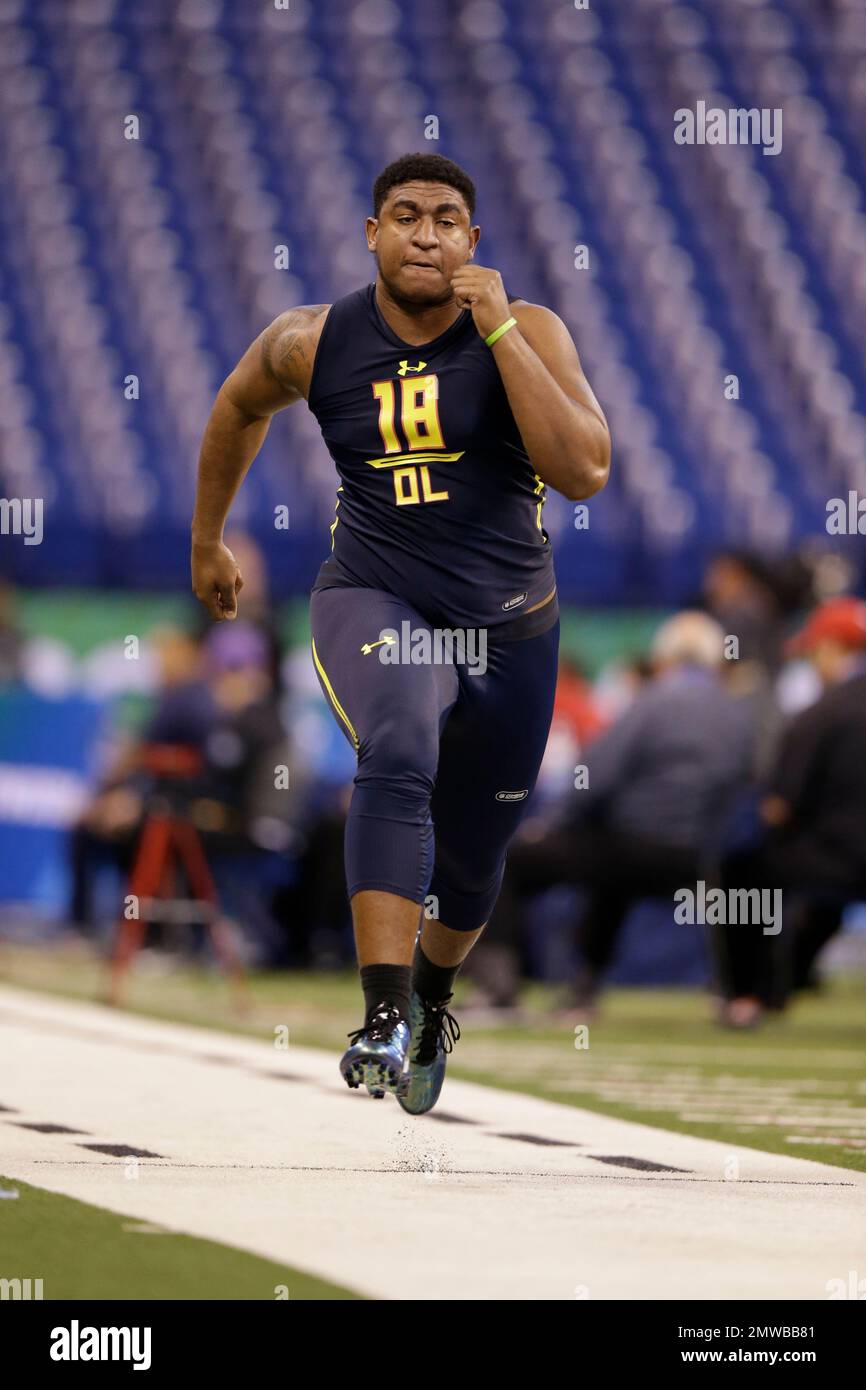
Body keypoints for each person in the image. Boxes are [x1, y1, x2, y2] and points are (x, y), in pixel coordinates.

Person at [190, 152, 610, 1112]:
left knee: (474, 861)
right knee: (400, 743)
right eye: (407, 216)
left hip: (510, 627)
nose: (426, 235)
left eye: (447, 219)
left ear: (473, 240)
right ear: (372, 234)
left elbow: (584, 471)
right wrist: (208, 537)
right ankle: (379, 1013)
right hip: (377, 596)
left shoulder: (529, 326)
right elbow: (237, 406)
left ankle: (429, 996)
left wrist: (499, 329)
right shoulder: (309, 339)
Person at [478, 612, 756, 1015]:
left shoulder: (655, 700)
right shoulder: (737, 713)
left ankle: (500, 990)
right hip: (698, 858)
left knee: (511, 861)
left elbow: (596, 773)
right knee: (612, 875)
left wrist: (556, 821)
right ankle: (735, 995)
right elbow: (743, 788)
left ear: (664, 658)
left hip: (632, 846)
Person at [718, 596, 866, 1023]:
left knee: (741, 867)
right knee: (821, 903)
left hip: (840, 859)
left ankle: (751, 995)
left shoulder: (820, 714)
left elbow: (779, 808)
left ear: (832, 649)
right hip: (846, 860)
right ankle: (794, 977)